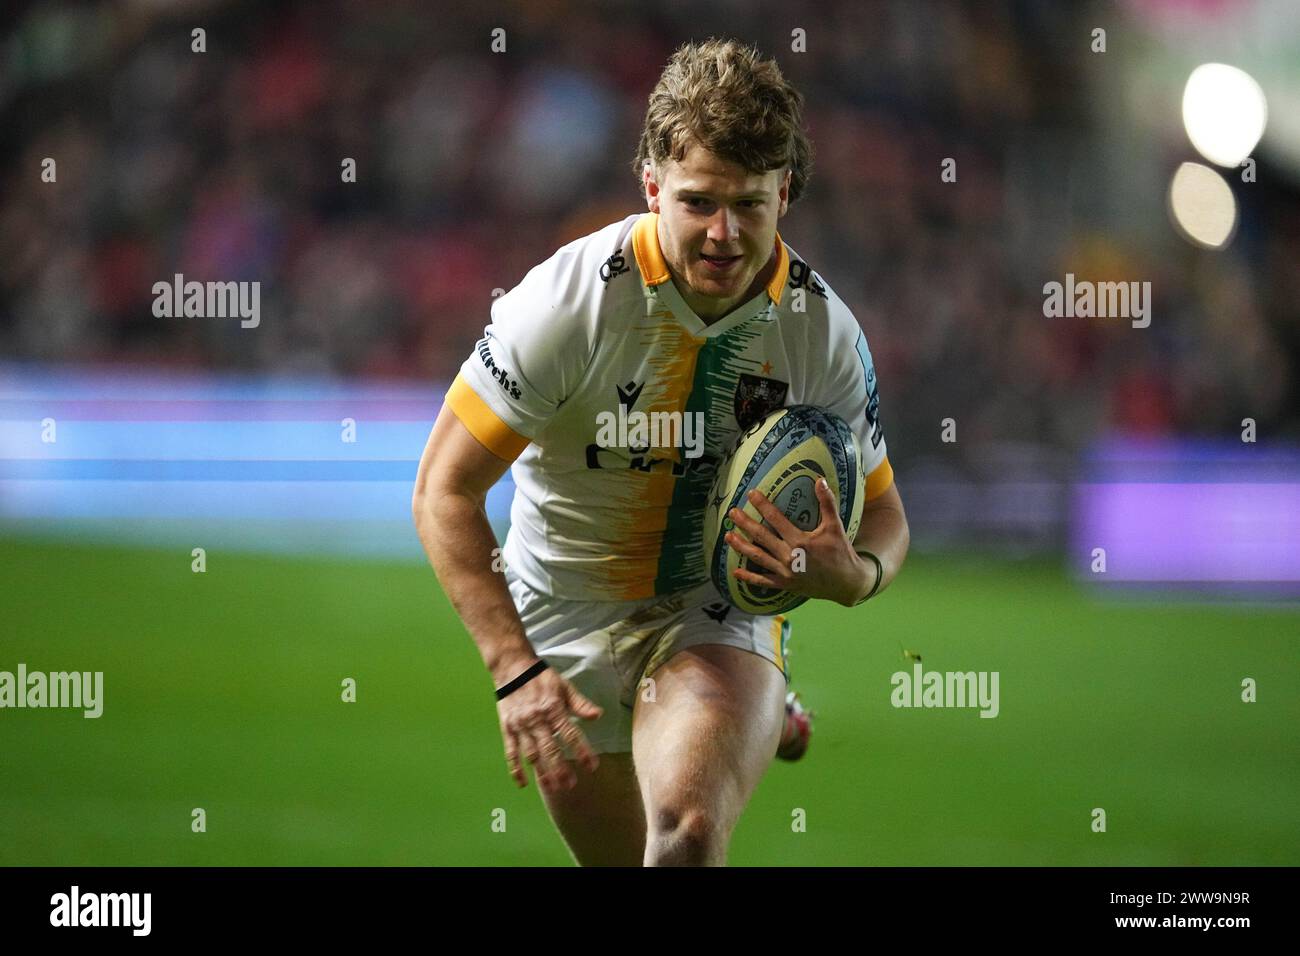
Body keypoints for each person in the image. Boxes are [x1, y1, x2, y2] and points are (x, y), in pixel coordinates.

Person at [412, 38, 909, 866]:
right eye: (698, 202)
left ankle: (744, 693)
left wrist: (856, 576)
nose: (723, 234)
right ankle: (758, 714)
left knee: (682, 838)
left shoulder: (822, 332)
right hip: (563, 608)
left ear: (785, 193)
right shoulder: (566, 304)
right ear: (650, 185)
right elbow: (442, 493)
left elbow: (887, 513)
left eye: (750, 204)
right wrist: (512, 669)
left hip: (712, 605)